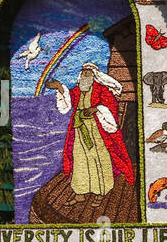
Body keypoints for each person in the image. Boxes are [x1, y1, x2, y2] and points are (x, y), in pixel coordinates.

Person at [45, 62, 134, 208]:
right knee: (80, 159)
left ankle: (101, 192)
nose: (86, 75)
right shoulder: (78, 91)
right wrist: (59, 87)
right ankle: (80, 193)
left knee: (99, 158)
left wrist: (95, 109)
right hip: (79, 130)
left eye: (88, 72)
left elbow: (111, 105)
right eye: (84, 72)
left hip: (97, 130)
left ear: (94, 75)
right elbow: (67, 102)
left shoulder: (101, 90)